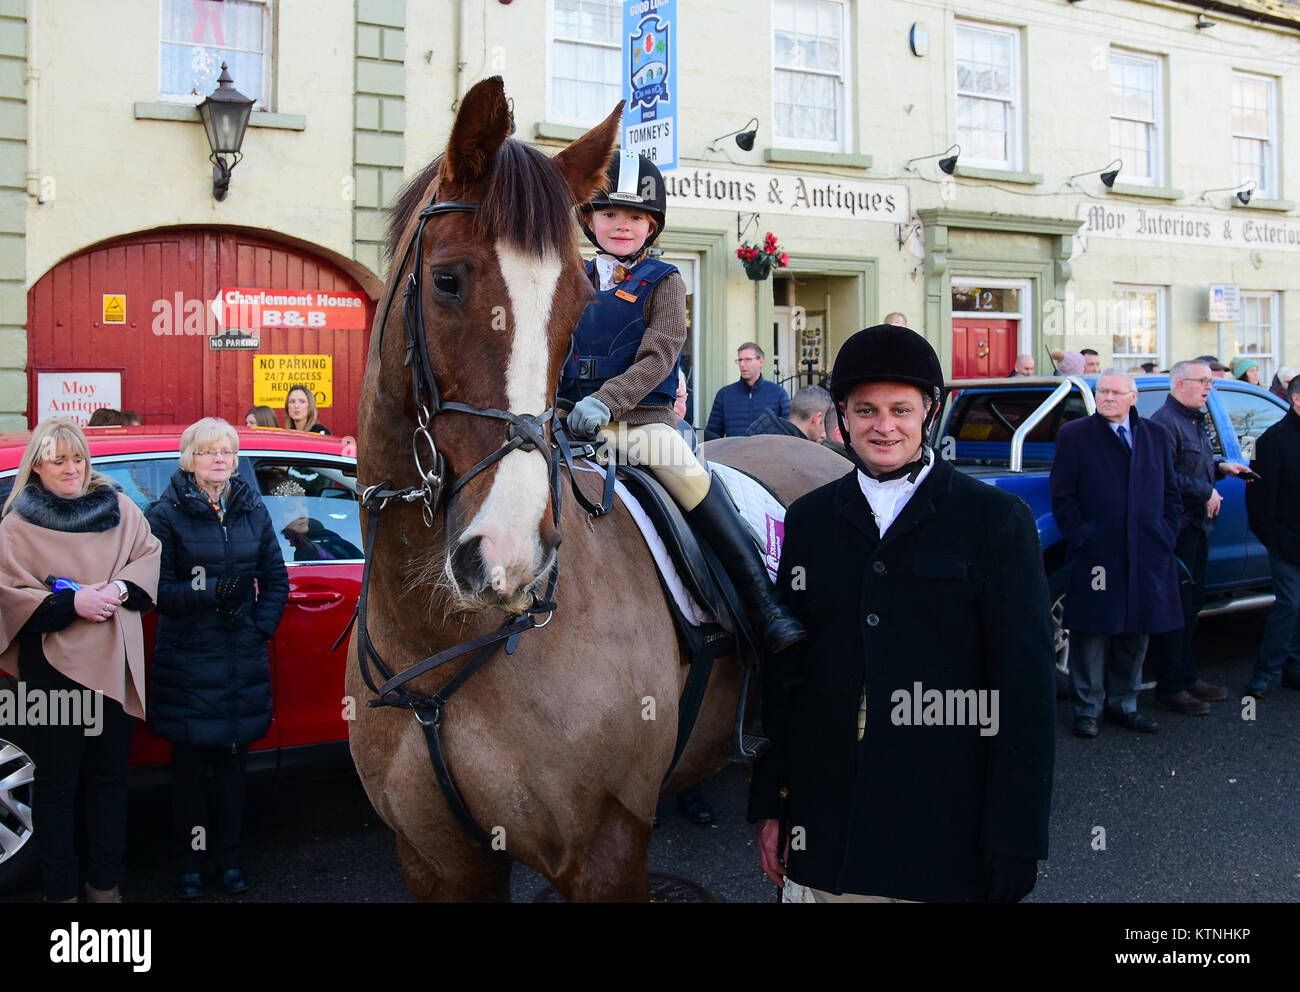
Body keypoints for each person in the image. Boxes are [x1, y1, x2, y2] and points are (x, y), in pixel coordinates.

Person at [749, 324, 1055, 903]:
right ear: (841, 414)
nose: (882, 426)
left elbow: (1026, 697)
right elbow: (787, 677)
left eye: (899, 410)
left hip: (944, 836)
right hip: (830, 832)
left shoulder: (995, 520)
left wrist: (1016, 838)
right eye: (865, 410)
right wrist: (773, 804)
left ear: (928, 413)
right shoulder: (811, 519)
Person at [559, 150, 803, 657]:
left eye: (634, 217)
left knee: (689, 476)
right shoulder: (570, 277)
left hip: (640, 424)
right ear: (589, 219)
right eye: (609, 214)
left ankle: (764, 606)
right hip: (571, 421)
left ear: (651, 224)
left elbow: (660, 355)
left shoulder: (665, 281)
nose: (621, 225)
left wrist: (607, 402)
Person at [0, 417, 161, 903]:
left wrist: (116, 588)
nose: (70, 469)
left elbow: (148, 558)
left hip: (112, 667)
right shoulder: (16, 524)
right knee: (54, 784)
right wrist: (72, 605)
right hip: (51, 675)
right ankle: (59, 893)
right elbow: (8, 596)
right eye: (58, 460)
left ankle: (104, 887)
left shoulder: (122, 509)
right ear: (38, 466)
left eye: (77, 458)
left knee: (109, 780)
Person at [146, 417, 289, 899]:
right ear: (191, 459)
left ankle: (229, 862)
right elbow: (158, 592)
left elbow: (276, 579)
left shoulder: (251, 508)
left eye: (227, 451)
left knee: (232, 773)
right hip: (188, 663)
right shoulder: (166, 514)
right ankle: (189, 865)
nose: (220, 460)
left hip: (238, 660)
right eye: (209, 452)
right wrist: (209, 591)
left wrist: (259, 629)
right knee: (188, 776)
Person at [1050, 371, 1183, 737]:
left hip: (1146, 553)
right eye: (1102, 391)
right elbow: (1063, 496)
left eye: (1115, 392)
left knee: (1136, 631)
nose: (1107, 397)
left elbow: (1171, 494)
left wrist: (1165, 533)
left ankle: (1124, 704)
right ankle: (1087, 710)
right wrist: (1084, 536)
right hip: (1096, 554)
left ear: (1133, 397)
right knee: (1091, 632)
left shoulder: (1155, 435)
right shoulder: (1075, 435)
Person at [1147, 360, 1252, 714]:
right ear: (1180, 385)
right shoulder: (1165, 423)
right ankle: (1170, 687)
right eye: (1203, 381)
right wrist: (1204, 490)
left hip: (1197, 527)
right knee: (1175, 609)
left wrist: (1220, 467)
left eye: (1210, 381)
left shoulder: (1194, 419)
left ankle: (1187, 676)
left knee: (1191, 607)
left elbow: (1190, 464)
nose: (1210, 387)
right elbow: (1162, 477)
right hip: (1177, 529)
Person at [1244, 375, 1300, 696]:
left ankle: (1295, 668)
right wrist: (1275, 543)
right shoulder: (1273, 441)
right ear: (1296, 400)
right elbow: (1260, 503)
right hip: (1287, 542)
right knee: (1289, 605)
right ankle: (1264, 673)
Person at [705, 342, 790, 438]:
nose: (742, 364)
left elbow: (789, 434)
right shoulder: (724, 395)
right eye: (740, 360)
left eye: (748, 360)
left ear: (761, 362)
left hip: (767, 451)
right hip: (733, 452)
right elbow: (712, 434)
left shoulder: (778, 394)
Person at [745, 385, 830, 442]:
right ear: (817, 419)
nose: (825, 432)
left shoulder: (759, 432)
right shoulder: (796, 452)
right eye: (826, 424)